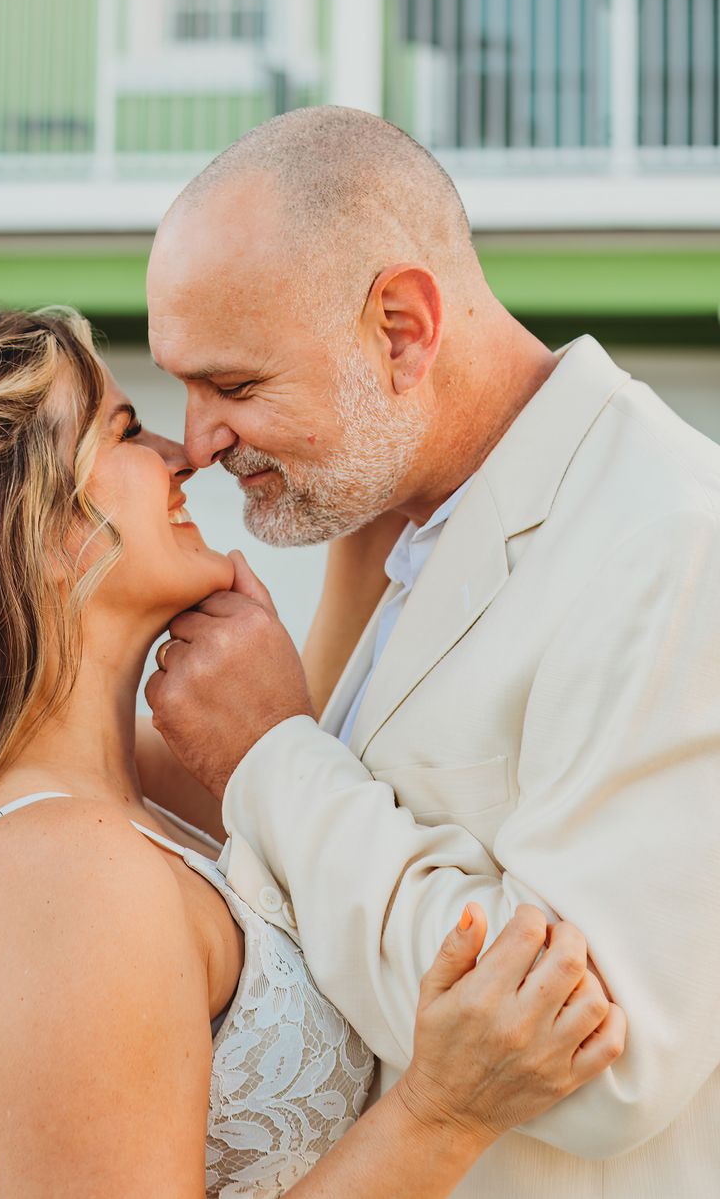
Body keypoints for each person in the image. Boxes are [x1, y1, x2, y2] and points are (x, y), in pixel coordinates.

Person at [0, 309, 621, 1199]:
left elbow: (313, 743)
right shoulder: (63, 878)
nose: (181, 453)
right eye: (123, 431)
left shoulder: (132, 791)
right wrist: (442, 1114)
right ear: (18, 523)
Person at [143, 105, 720, 1198]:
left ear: (401, 328)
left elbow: (606, 1064)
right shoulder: (394, 531)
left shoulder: (672, 542)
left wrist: (272, 753)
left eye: (235, 385)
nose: (197, 440)